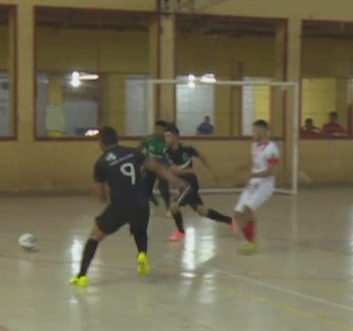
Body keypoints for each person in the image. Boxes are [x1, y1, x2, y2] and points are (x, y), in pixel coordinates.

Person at [70, 127, 186, 286]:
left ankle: (81, 276)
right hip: (141, 203)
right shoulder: (134, 153)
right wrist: (177, 182)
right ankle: (142, 255)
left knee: (94, 236)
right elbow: (157, 167)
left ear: (101, 142)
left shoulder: (101, 162)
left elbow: (100, 194)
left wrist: (105, 198)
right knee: (140, 229)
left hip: (119, 206)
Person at [163, 125, 234, 241]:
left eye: (168, 136)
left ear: (175, 137)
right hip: (182, 185)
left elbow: (202, 156)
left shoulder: (187, 148)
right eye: (165, 136)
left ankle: (180, 232)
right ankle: (230, 221)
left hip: (190, 184)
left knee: (173, 207)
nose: (165, 139)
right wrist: (189, 170)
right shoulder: (166, 152)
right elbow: (173, 170)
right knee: (202, 211)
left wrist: (211, 172)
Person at [232, 119, 280, 255]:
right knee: (237, 213)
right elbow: (253, 162)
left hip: (265, 185)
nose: (252, 133)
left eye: (254, 130)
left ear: (263, 131)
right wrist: (243, 169)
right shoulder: (254, 146)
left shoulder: (272, 149)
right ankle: (249, 239)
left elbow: (271, 171)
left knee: (247, 210)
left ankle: (251, 242)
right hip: (252, 184)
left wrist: (252, 174)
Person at [139, 119, 172, 209]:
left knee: (164, 189)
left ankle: (168, 207)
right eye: (156, 129)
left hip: (162, 168)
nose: (158, 131)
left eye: (161, 129)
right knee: (144, 187)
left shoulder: (168, 141)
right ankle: (151, 198)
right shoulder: (148, 140)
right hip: (150, 166)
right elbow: (139, 149)